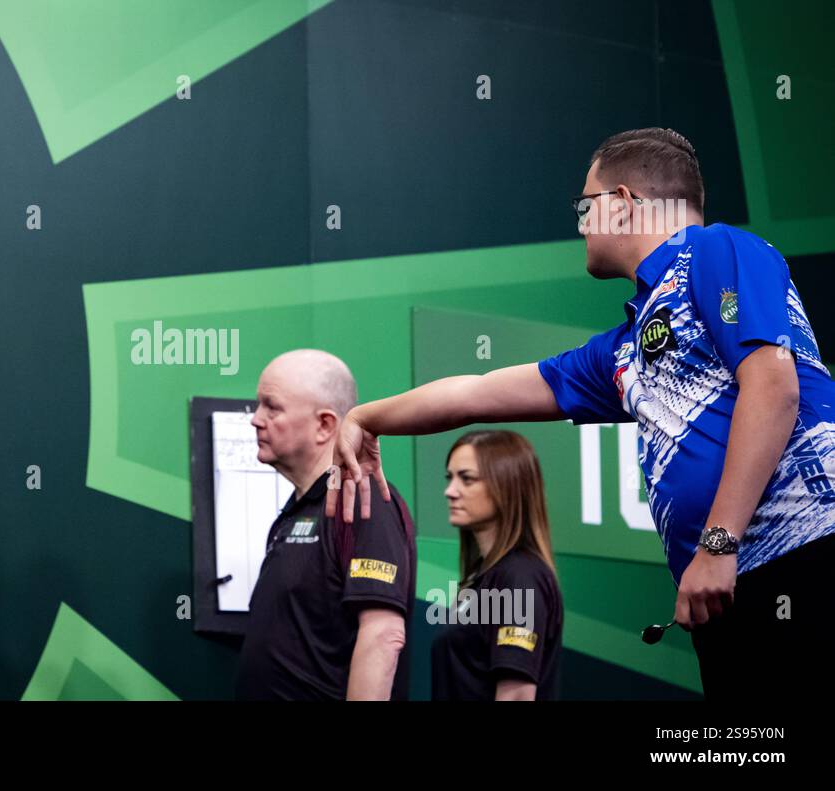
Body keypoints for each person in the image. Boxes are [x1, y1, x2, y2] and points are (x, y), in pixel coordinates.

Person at [327, 128, 835, 700]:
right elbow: (475, 392)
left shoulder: (718, 250)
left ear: (621, 204)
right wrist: (364, 418)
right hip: (726, 592)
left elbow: (774, 388)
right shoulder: (621, 352)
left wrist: (718, 544)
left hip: (806, 557)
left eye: (585, 206)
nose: (581, 223)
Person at [235, 349, 416, 700]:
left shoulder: (364, 499)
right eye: (259, 405)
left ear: (325, 425)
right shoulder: (296, 513)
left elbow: (383, 636)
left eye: (272, 406)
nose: (256, 419)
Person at [431, 431, 563, 701]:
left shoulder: (519, 576)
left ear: (507, 485)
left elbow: (517, 695)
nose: (450, 491)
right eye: (450, 478)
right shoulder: (484, 575)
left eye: (466, 479)